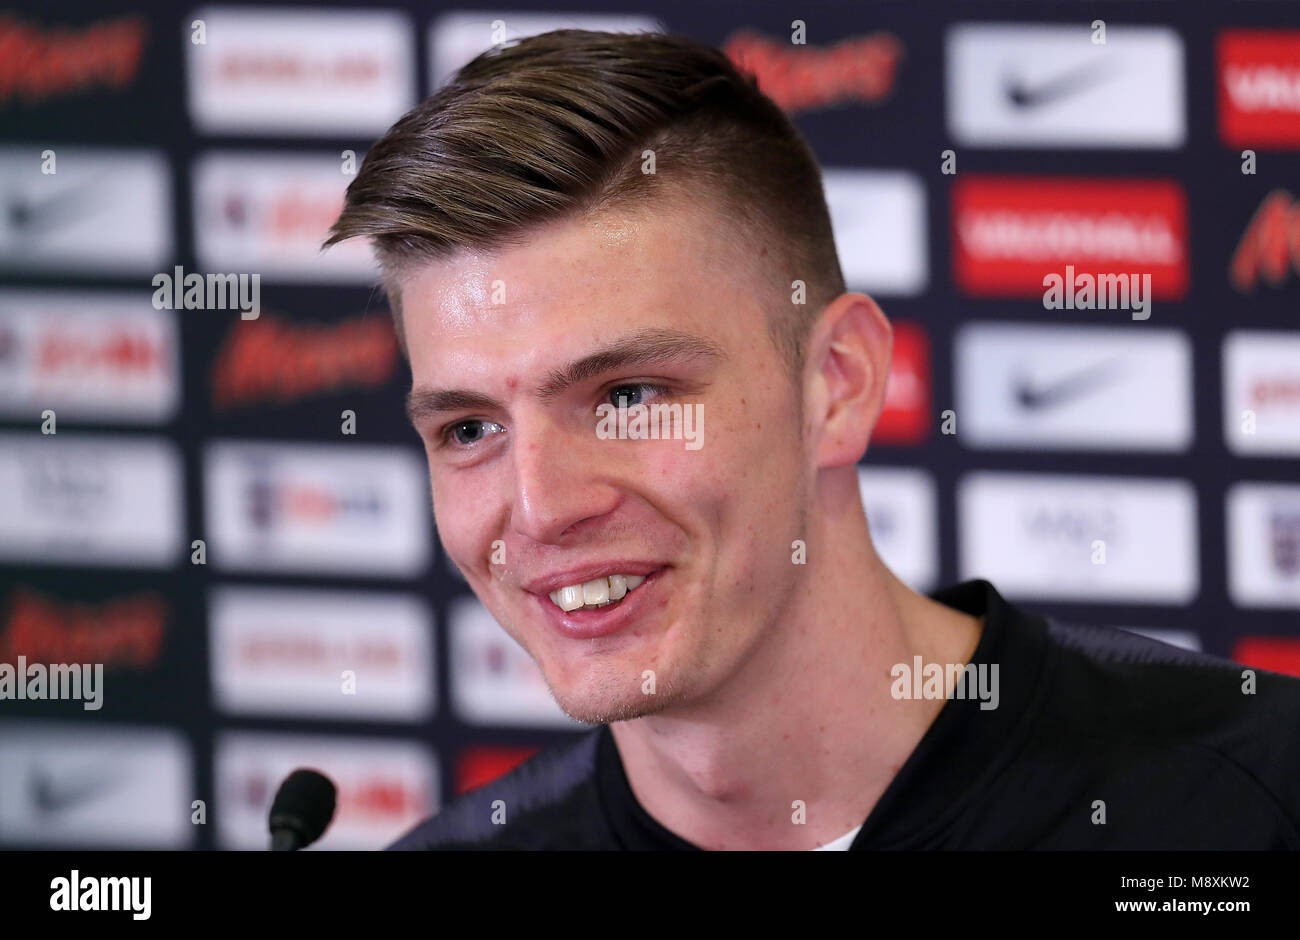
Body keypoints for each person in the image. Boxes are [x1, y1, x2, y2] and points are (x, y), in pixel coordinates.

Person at [324, 30, 1300, 850]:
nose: (540, 503)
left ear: (836, 385)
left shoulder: (1249, 798)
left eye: (625, 395)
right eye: (468, 428)